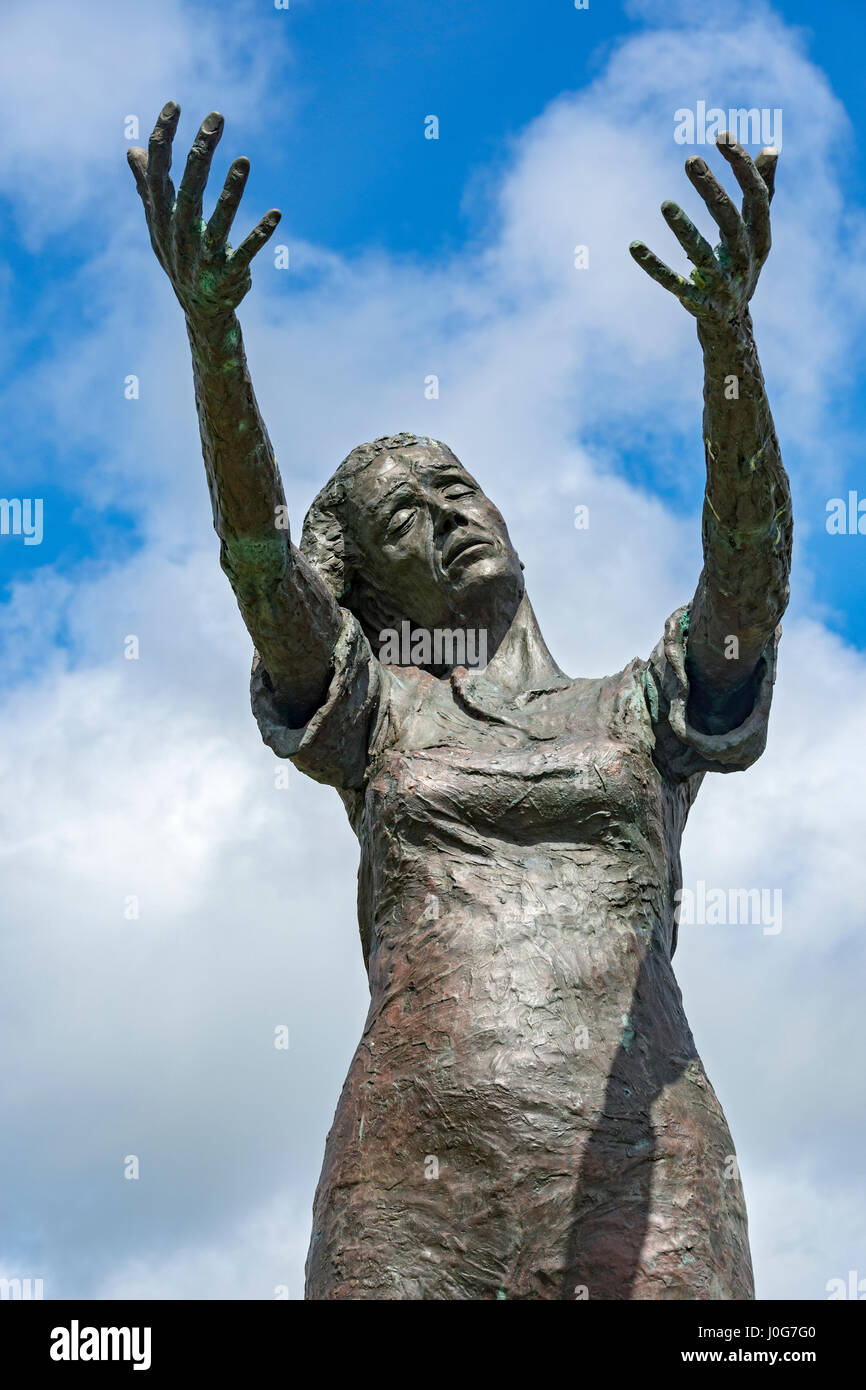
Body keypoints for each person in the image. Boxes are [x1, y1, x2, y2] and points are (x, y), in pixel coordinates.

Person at [129, 105, 791, 1299]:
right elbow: (256, 563)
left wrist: (725, 342)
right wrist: (213, 337)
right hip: (410, 1174)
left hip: (639, 1165)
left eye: (454, 485)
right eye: (404, 517)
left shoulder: (640, 708)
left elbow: (745, 571)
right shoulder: (374, 715)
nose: (447, 511)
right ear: (378, 587)